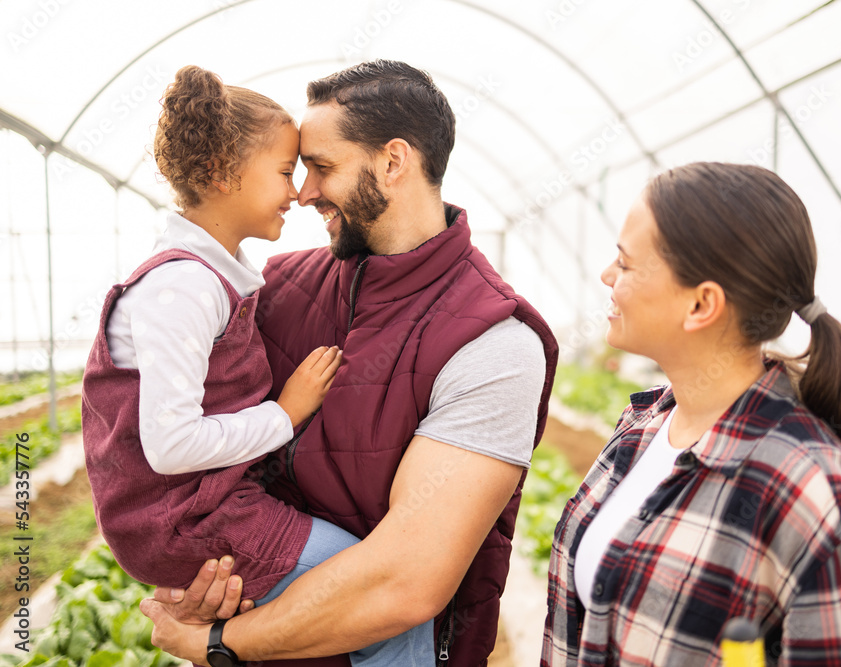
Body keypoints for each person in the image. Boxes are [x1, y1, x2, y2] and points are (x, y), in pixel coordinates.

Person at [139, 60, 559, 666]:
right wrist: (199, 574)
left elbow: (402, 584)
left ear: (393, 162)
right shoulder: (271, 290)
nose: (303, 192)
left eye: (321, 168)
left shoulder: (494, 345)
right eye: (298, 168)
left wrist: (220, 646)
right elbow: (180, 450)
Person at [83, 65, 435, 665]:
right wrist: (286, 412)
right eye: (283, 172)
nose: (296, 193)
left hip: (203, 505)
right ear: (223, 176)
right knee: (378, 605)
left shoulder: (213, 277)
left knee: (334, 610)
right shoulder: (183, 288)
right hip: (187, 517)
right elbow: (169, 446)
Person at [541, 162, 841, 666]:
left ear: (702, 305)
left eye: (627, 264)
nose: (607, 275)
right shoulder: (644, 424)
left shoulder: (816, 491)